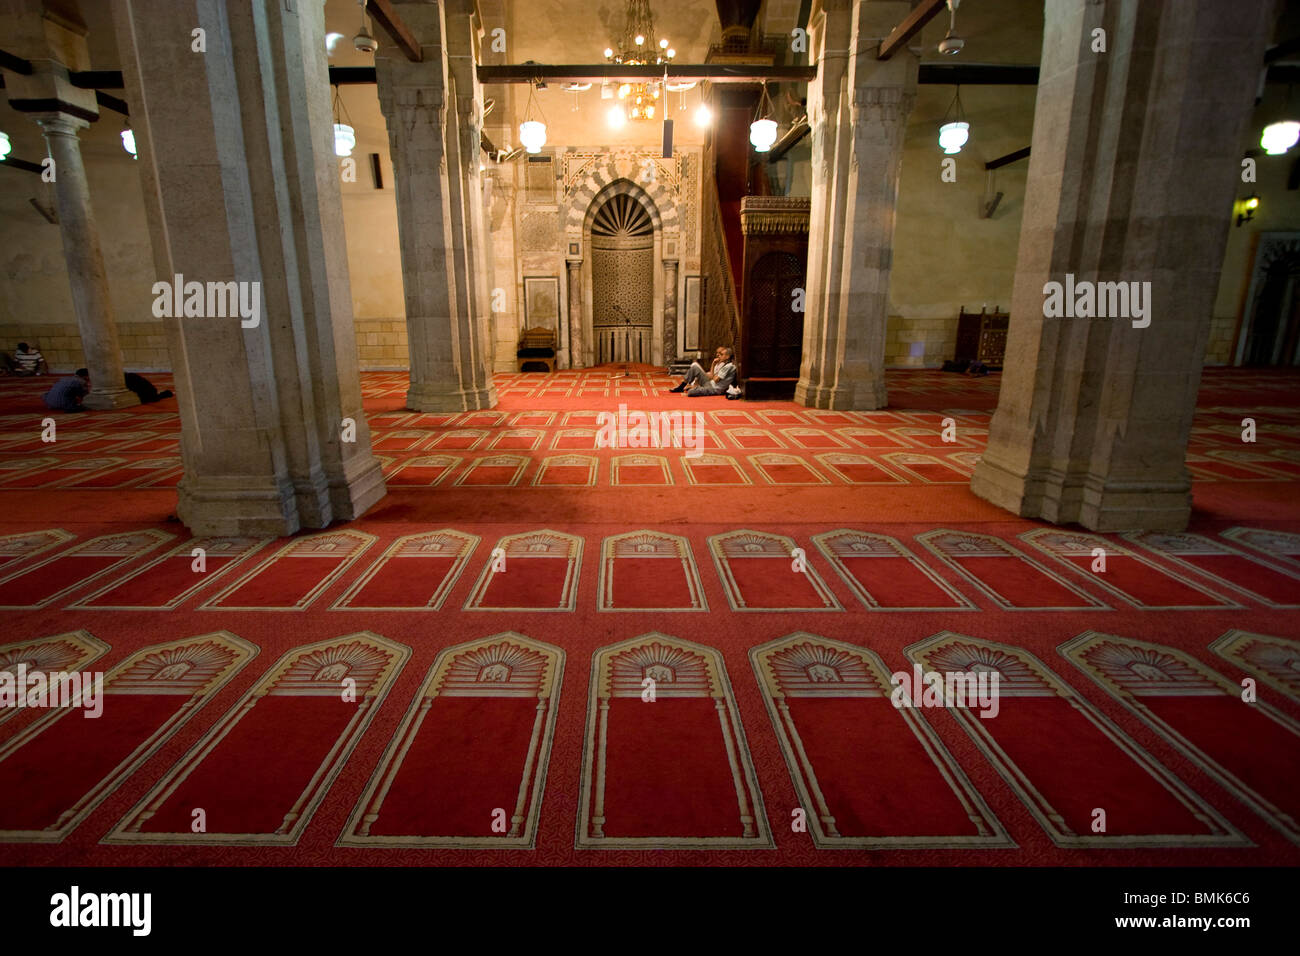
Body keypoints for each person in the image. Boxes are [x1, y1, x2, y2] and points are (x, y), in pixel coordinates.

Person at [669, 346, 737, 396]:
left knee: (691, 392)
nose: (719, 356)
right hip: (710, 383)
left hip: (714, 389)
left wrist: (713, 376)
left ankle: (696, 387)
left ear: (727, 356)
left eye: (722, 355)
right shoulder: (724, 364)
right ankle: (682, 386)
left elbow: (715, 379)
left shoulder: (729, 366)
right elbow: (712, 377)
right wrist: (713, 364)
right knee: (695, 366)